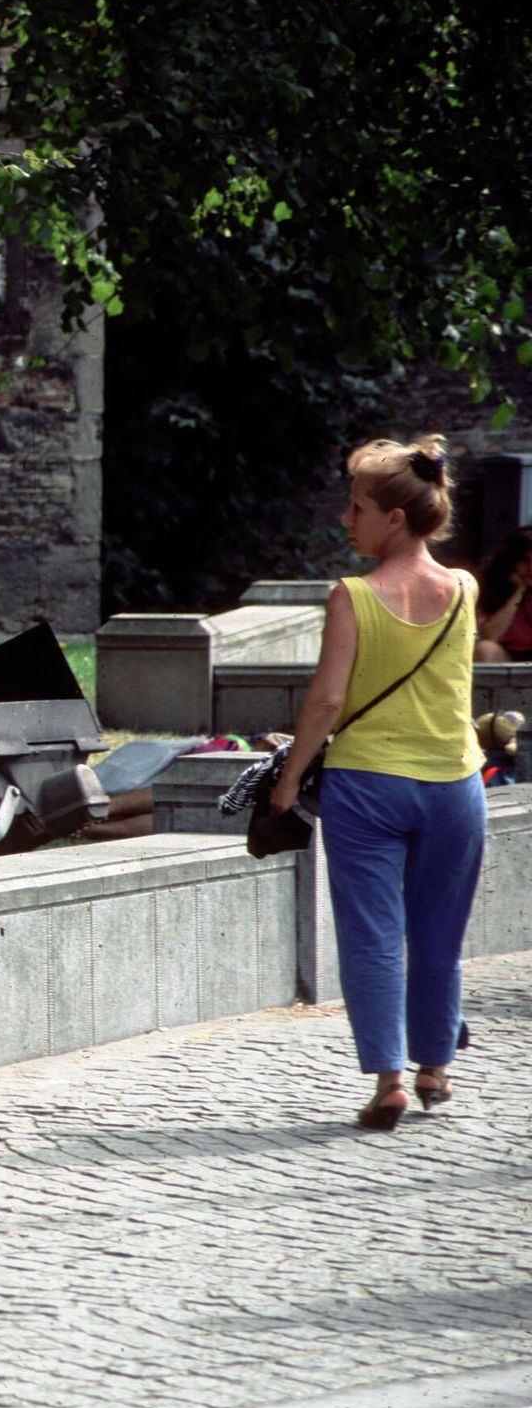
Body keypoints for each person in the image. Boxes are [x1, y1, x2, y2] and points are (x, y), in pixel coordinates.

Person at [269, 437, 483, 1128]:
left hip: (367, 786)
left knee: (373, 935)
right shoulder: (465, 589)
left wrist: (288, 779)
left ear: (394, 518)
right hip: (456, 782)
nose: (345, 519)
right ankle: (435, 1067)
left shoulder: (352, 596)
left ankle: (390, 1080)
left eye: (356, 507)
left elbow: (327, 702)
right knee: (440, 934)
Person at [473, 525, 532, 663]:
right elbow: (490, 635)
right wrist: (519, 591)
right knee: (485, 649)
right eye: (525, 560)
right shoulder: (494, 585)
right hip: (508, 655)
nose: (531, 568)